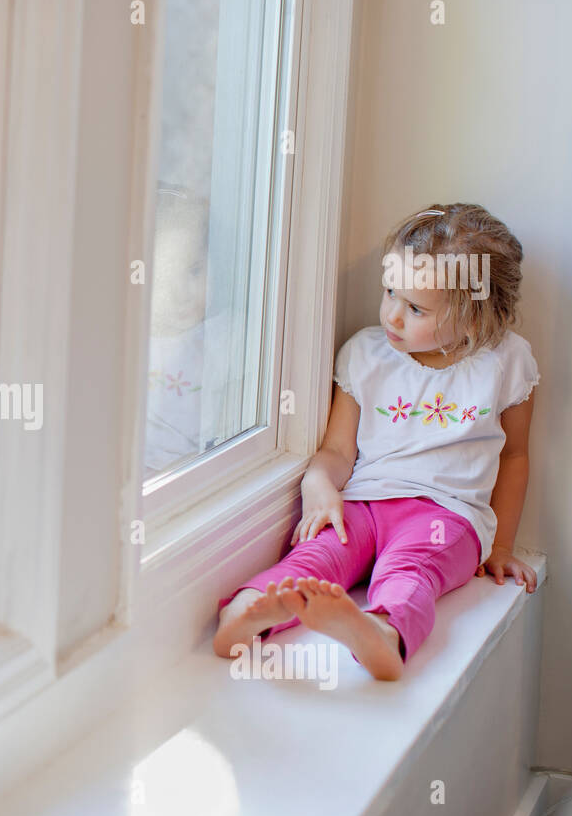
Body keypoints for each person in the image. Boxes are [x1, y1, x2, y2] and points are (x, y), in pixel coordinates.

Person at [213, 203, 540, 680]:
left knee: (411, 574)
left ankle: (381, 634)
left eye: (415, 308)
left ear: (473, 319)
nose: (392, 314)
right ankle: (246, 612)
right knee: (315, 555)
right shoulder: (366, 353)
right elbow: (338, 450)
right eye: (390, 290)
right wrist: (320, 487)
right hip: (364, 504)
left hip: (447, 516)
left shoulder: (506, 362)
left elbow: (515, 456)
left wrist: (502, 546)